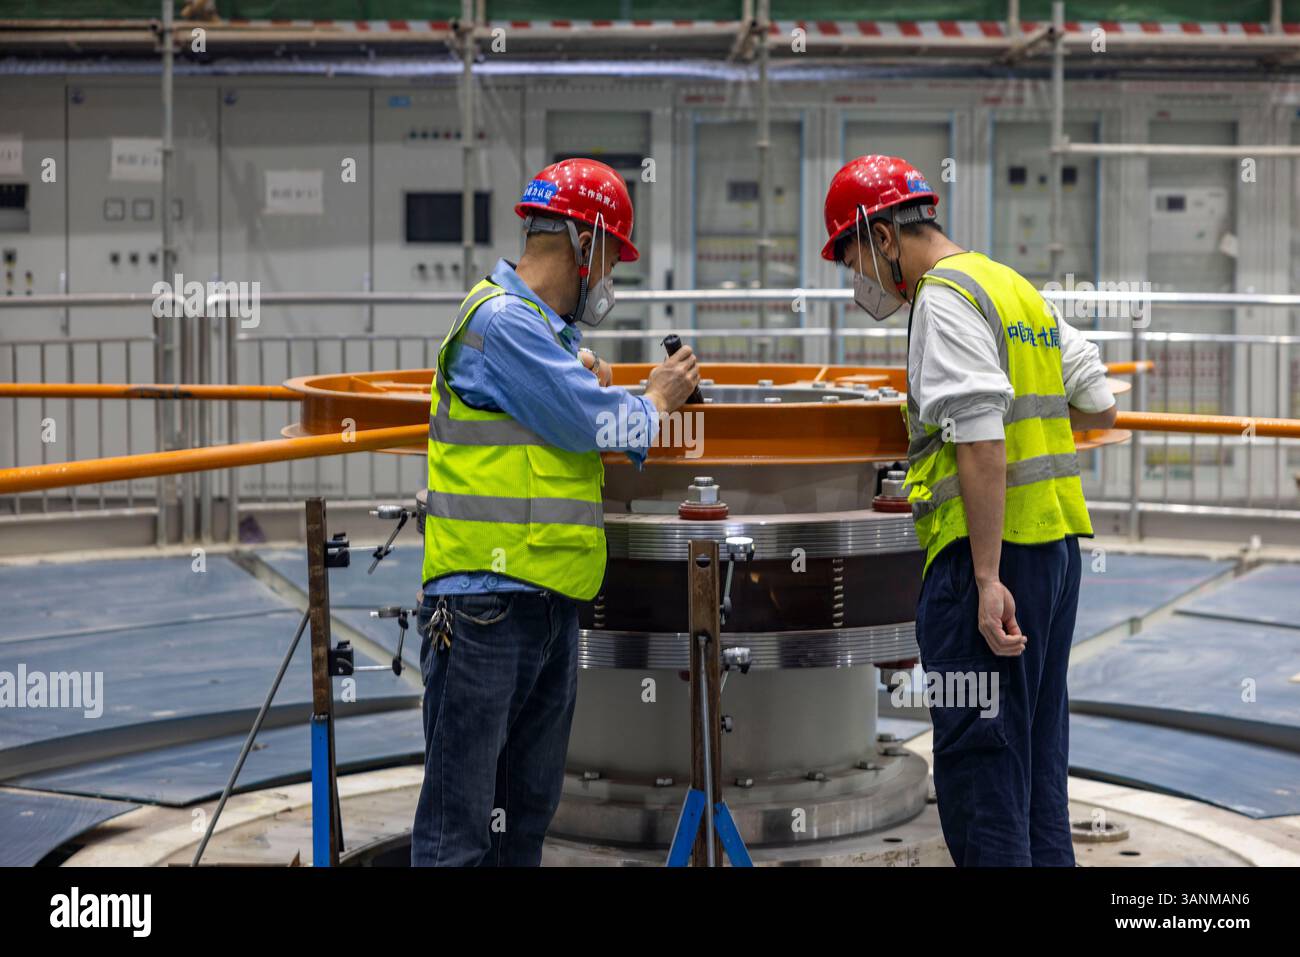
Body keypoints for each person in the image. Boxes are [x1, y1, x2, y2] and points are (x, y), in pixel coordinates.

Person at [821, 154, 1117, 866]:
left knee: (983, 770)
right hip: (1055, 555)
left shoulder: (944, 298)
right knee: (1037, 766)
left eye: (853, 253)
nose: (858, 275)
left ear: (885, 233)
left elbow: (981, 441)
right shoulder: (1008, 285)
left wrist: (985, 579)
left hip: (989, 563)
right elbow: (1099, 398)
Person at [413, 157, 700, 866]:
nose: (608, 277)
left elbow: (564, 419)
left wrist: (589, 373)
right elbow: (593, 423)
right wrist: (657, 397)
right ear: (584, 240)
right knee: (459, 831)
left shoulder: (543, 333)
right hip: (484, 608)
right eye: (611, 258)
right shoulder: (503, 322)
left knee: (523, 821)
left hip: (544, 608)